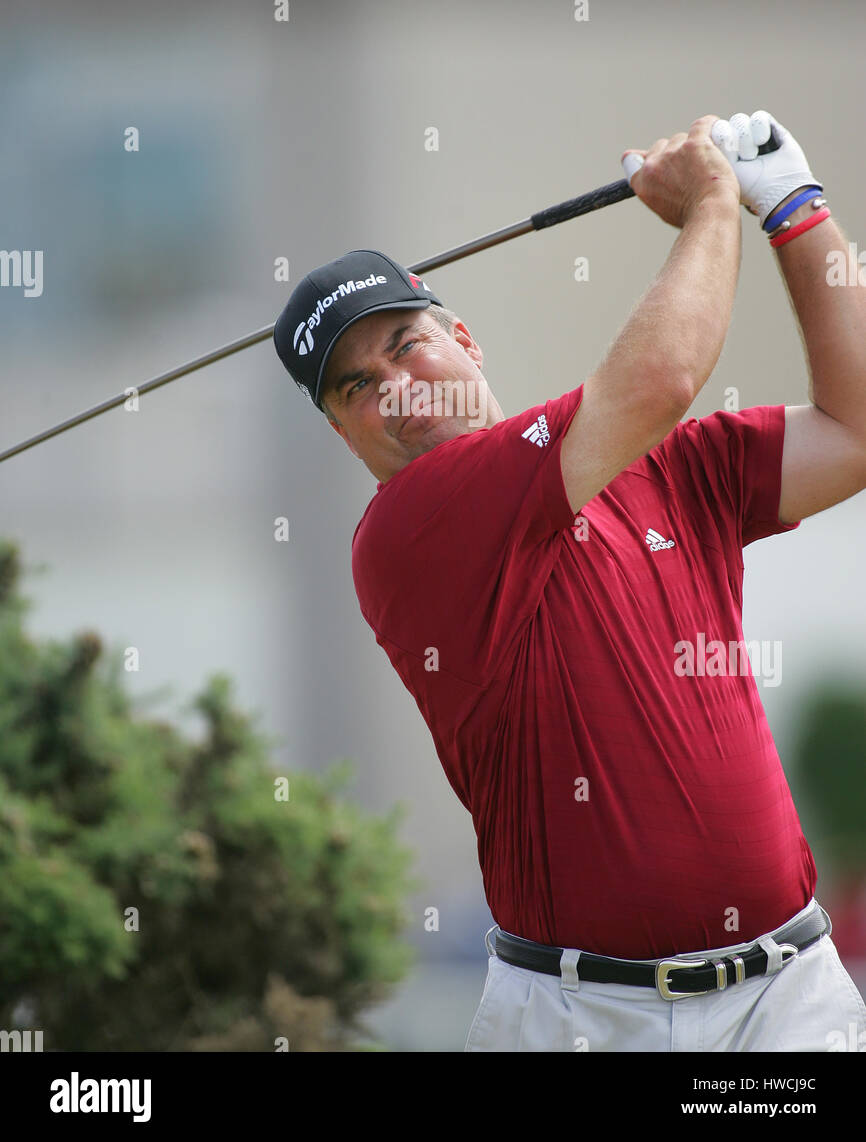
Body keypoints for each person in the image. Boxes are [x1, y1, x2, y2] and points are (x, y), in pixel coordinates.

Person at [273, 111, 866, 1052]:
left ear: (463, 336)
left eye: (405, 342)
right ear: (344, 434)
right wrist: (716, 204)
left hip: (786, 1000)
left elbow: (855, 428)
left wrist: (795, 210)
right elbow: (665, 376)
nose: (395, 385)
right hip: (582, 1016)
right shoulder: (409, 531)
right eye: (355, 387)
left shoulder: (669, 467)